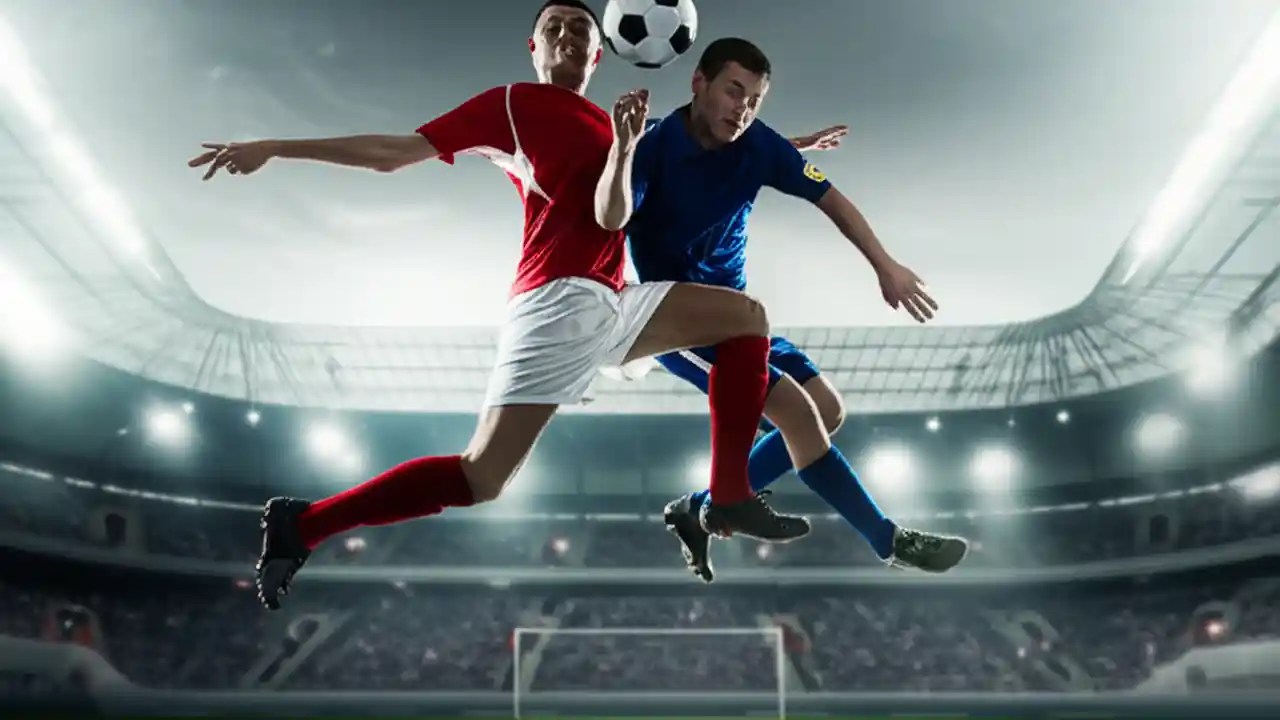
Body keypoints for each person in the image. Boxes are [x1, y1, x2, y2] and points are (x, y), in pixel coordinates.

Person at [188, 1, 809, 611]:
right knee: (480, 478)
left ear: (600, 52)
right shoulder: (512, 104)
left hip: (611, 302)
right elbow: (396, 152)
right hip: (558, 304)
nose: (567, 35)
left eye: (580, 30)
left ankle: (728, 492)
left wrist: (778, 151)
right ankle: (305, 524)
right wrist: (276, 145)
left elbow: (691, 160)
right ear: (533, 48)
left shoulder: (607, 125)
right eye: (553, 28)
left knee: (744, 315)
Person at [597, 38, 969, 582]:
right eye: (733, 91)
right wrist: (622, 151)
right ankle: (887, 540)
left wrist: (885, 266)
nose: (742, 109)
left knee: (828, 410)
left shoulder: (759, 145)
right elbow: (613, 212)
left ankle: (697, 507)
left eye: (754, 100)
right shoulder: (650, 145)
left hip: (737, 318)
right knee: (796, 414)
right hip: (676, 317)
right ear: (697, 82)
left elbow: (834, 201)